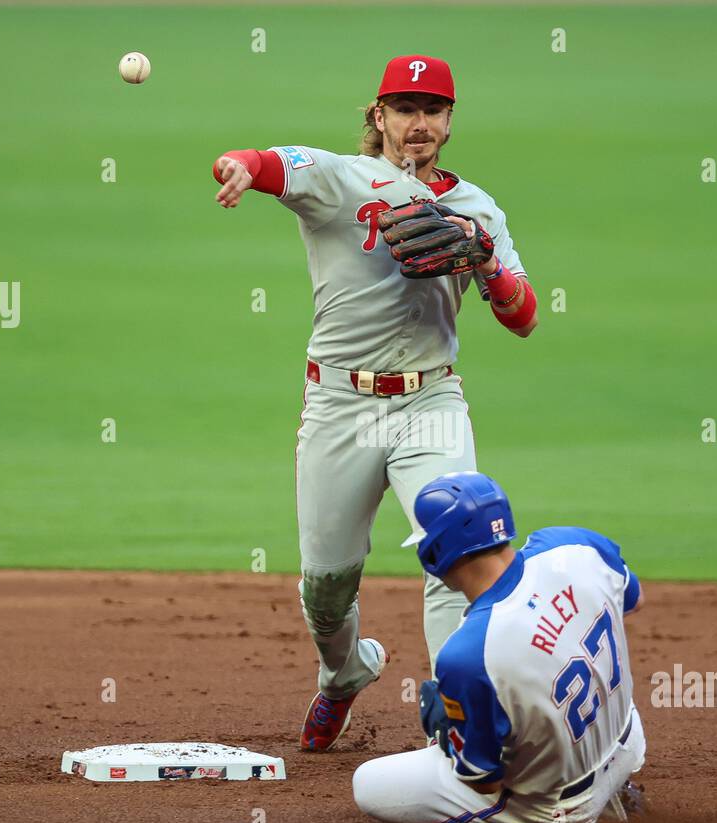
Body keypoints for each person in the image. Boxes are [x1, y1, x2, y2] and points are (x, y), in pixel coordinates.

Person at [211, 56, 538, 751]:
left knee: (458, 550)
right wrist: (236, 168)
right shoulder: (338, 180)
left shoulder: (477, 208)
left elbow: (523, 317)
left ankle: (458, 725)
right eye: (404, 108)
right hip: (338, 404)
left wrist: (484, 259)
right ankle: (344, 675)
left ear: (449, 120)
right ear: (378, 115)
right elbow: (264, 160)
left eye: (432, 110)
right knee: (325, 588)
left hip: (433, 401)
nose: (418, 124)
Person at [352, 472, 646, 823]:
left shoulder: (469, 653)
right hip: (625, 742)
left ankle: (574, 809)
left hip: (561, 806)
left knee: (368, 783)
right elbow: (634, 599)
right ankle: (616, 781)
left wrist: (447, 731)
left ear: (435, 552)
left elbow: (483, 780)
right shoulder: (572, 546)